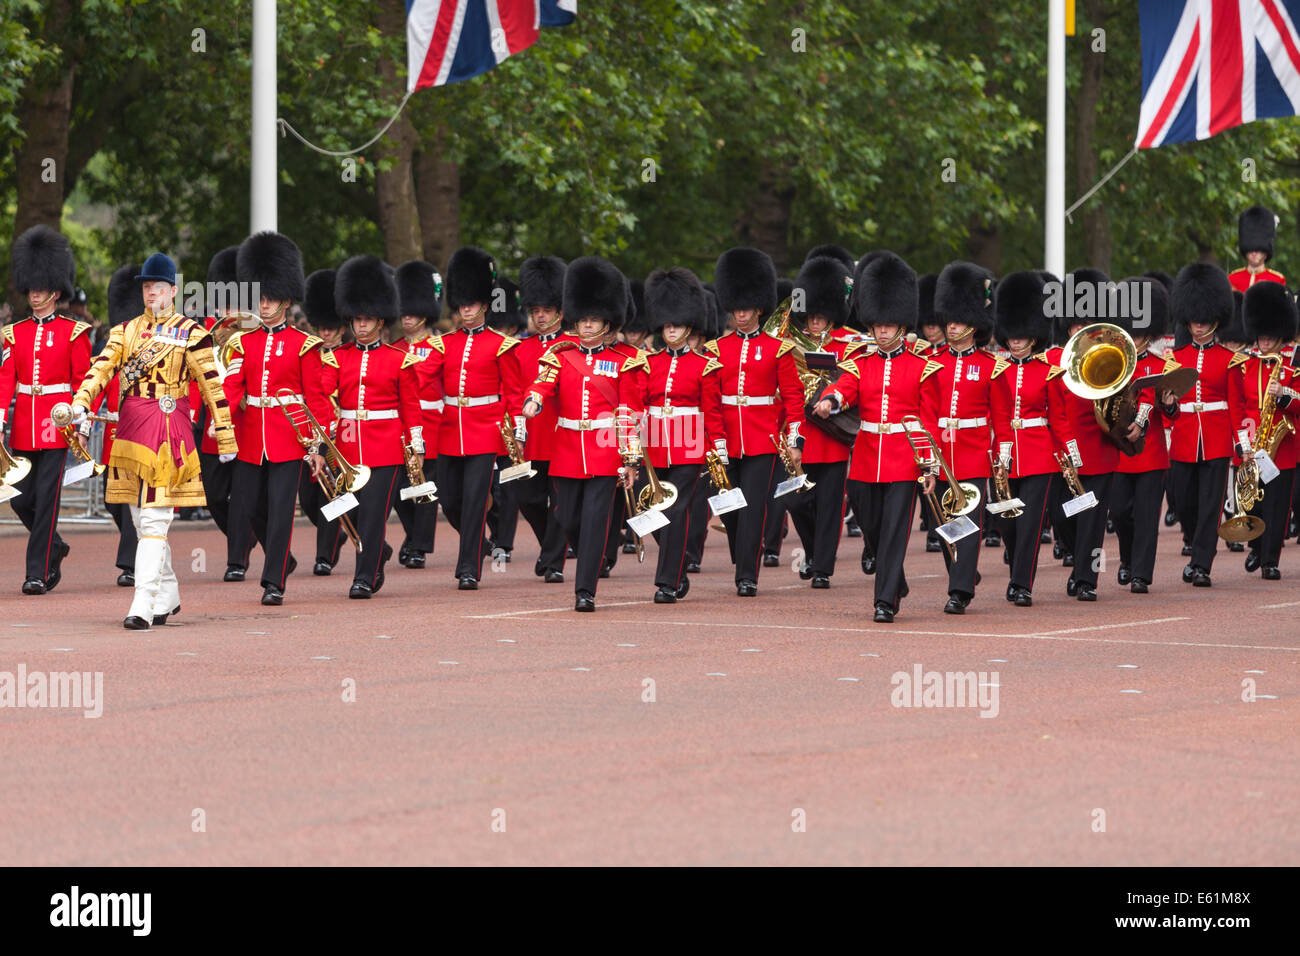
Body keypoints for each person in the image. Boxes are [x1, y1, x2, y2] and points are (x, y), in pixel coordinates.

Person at [68, 251, 237, 629]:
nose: (150, 294)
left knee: (156, 520)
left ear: (173, 292)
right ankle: (169, 591)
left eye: (157, 288)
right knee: (141, 521)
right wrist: (81, 402)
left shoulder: (192, 335)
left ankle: (142, 602)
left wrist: (224, 433)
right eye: (146, 288)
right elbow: (101, 369)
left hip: (168, 433)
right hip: (129, 432)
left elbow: (213, 387)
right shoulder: (124, 331)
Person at [813, 251, 941, 623]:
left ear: (901, 325)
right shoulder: (861, 361)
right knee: (871, 525)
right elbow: (845, 386)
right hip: (867, 456)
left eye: (889, 325)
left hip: (904, 459)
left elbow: (927, 422)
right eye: (877, 325)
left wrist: (928, 464)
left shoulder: (922, 367)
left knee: (894, 531)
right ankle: (893, 578)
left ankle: (885, 600)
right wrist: (830, 400)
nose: (882, 331)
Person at [522, 256, 641, 612]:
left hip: (605, 452)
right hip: (569, 449)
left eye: (593, 320)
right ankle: (592, 555)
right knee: (566, 518)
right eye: (583, 319)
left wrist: (630, 458)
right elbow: (543, 383)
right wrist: (533, 400)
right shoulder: (561, 354)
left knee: (593, 522)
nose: (587, 326)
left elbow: (628, 411)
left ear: (607, 322)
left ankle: (585, 590)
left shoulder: (626, 359)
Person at [222, 231, 332, 605]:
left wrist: (318, 446)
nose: (264, 305)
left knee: (283, 510)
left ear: (285, 299)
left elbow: (316, 398)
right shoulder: (242, 342)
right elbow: (233, 388)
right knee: (250, 507)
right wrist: (224, 422)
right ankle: (280, 556)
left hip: (290, 437)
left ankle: (273, 583)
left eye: (270, 298)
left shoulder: (305, 345)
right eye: (260, 298)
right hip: (252, 436)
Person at [417, 247, 524, 590]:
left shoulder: (501, 345)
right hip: (451, 429)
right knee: (449, 500)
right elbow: (419, 379)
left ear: (484, 304)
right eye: (462, 303)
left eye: (472, 303)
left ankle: (468, 569)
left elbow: (513, 392)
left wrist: (515, 429)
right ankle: (481, 545)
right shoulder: (443, 345)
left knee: (476, 498)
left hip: (485, 430)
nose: (465, 309)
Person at [322, 255, 423, 598]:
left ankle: (363, 577)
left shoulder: (400, 359)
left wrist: (417, 446)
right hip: (349, 446)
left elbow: (410, 406)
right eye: (356, 320)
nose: (361, 326)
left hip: (386, 447)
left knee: (373, 514)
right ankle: (377, 553)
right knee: (349, 509)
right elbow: (324, 396)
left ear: (381, 320)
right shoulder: (338, 357)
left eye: (367, 320)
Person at [708, 247, 806, 597]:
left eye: (747, 308)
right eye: (736, 308)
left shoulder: (777, 348)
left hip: (763, 439)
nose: (742, 314)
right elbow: (711, 400)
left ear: (759, 308)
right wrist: (715, 439)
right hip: (727, 438)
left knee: (753, 507)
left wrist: (794, 439)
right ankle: (743, 556)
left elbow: (793, 397)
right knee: (729, 507)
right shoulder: (717, 349)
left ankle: (746, 575)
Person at [0, 226, 90, 595]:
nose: (34, 294)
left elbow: (83, 380)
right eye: (30, 289)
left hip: (57, 423)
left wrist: (80, 422)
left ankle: (36, 572)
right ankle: (55, 545)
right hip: (24, 424)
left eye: (40, 289)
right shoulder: (14, 333)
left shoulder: (74, 333)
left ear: (55, 291)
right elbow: (6, 380)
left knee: (48, 496)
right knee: (19, 496)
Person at [633, 266, 724, 603]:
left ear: (689, 326)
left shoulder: (705, 366)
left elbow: (711, 411)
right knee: (649, 510)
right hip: (653, 445)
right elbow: (639, 404)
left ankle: (667, 582)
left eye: (677, 324)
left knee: (673, 510)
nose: (671, 330)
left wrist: (719, 449)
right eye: (667, 325)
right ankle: (681, 560)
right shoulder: (648, 362)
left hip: (689, 447)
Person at [1167, 263, 1248, 588]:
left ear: (1216, 320)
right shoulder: (1177, 357)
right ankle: (1192, 540)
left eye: (1203, 321)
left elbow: (1236, 405)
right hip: (1185, 436)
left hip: (1215, 439)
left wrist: (1241, 442)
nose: (1198, 326)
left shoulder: (1229, 360)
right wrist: (1169, 406)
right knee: (1184, 501)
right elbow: (1167, 411)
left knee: (1211, 505)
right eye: (1194, 321)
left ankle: (1202, 564)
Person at [927, 260, 1000, 613]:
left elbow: (998, 416)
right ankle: (964, 573)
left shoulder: (989, 365)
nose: (950, 326)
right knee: (943, 523)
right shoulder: (934, 361)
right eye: (949, 320)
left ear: (972, 324)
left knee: (967, 521)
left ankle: (959, 591)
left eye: (957, 321)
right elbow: (926, 410)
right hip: (941, 450)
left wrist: (1001, 454)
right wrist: (927, 453)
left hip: (972, 451)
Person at [988, 271, 1063, 608]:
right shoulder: (997, 369)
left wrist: (1069, 453)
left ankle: (1022, 584)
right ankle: (1014, 565)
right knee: (1009, 523)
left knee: (1031, 523)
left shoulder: (1047, 370)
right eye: (1011, 336)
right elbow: (997, 414)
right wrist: (1002, 450)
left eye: (1021, 336)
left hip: (1039, 452)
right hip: (1005, 453)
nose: (1015, 341)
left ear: (1034, 336)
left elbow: (1058, 416)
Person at [783, 254, 855, 589]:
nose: (814, 322)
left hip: (835, 437)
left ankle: (823, 567)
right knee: (795, 500)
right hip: (803, 435)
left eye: (821, 316)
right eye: (810, 316)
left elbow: (854, 381)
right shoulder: (791, 345)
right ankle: (812, 551)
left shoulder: (849, 344)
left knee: (830, 506)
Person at [1109, 278, 1181, 594]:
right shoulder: (1113, 363)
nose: (1135, 337)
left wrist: (1169, 404)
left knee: (1148, 516)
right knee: (1121, 512)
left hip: (1150, 452)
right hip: (1121, 450)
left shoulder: (1162, 365)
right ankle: (1127, 560)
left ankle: (1140, 573)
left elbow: (1171, 413)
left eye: (1139, 333)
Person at [511, 255, 572, 583]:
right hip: (532, 435)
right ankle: (550, 549)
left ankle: (553, 562)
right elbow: (513, 392)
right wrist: (518, 429)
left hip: (562, 435)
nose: (540, 316)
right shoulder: (521, 349)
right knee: (529, 499)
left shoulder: (573, 346)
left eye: (546, 310)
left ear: (560, 312)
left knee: (561, 503)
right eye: (536, 311)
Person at [1238, 281, 1300, 579]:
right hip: (1253, 443)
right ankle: (1256, 547)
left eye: (1269, 336)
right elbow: (1238, 406)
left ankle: (1270, 559)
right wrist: (1242, 443)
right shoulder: (1245, 364)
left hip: (1282, 444)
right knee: (1253, 503)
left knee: (1277, 507)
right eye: (1261, 336)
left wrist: (1285, 393)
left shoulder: (1292, 364)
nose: (1264, 341)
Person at [391, 260, 444, 570]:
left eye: (412, 312)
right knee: (400, 489)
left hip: (431, 424)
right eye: (404, 311)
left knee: (424, 486)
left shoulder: (438, 347)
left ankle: (420, 547)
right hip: (400, 424)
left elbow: (422, 381)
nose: (407, 317)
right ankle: (413, 537)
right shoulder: (395, 348)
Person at [297, 268, 349, 576]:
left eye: (331, 327)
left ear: (342, 327)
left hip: (338, 436)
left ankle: (324, 556)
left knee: (333, 494)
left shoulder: (349, 356)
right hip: (310, 435)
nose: (325, 332)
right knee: (308, 498)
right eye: (322, 327)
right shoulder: (309, 354)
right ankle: (343, 534)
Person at [1228, 206, 1285, 292]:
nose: (1254, 253)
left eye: (1258, 249)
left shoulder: (1276, 280)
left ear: (1266, 252)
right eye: (1250, 249)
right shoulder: (1233, 279)